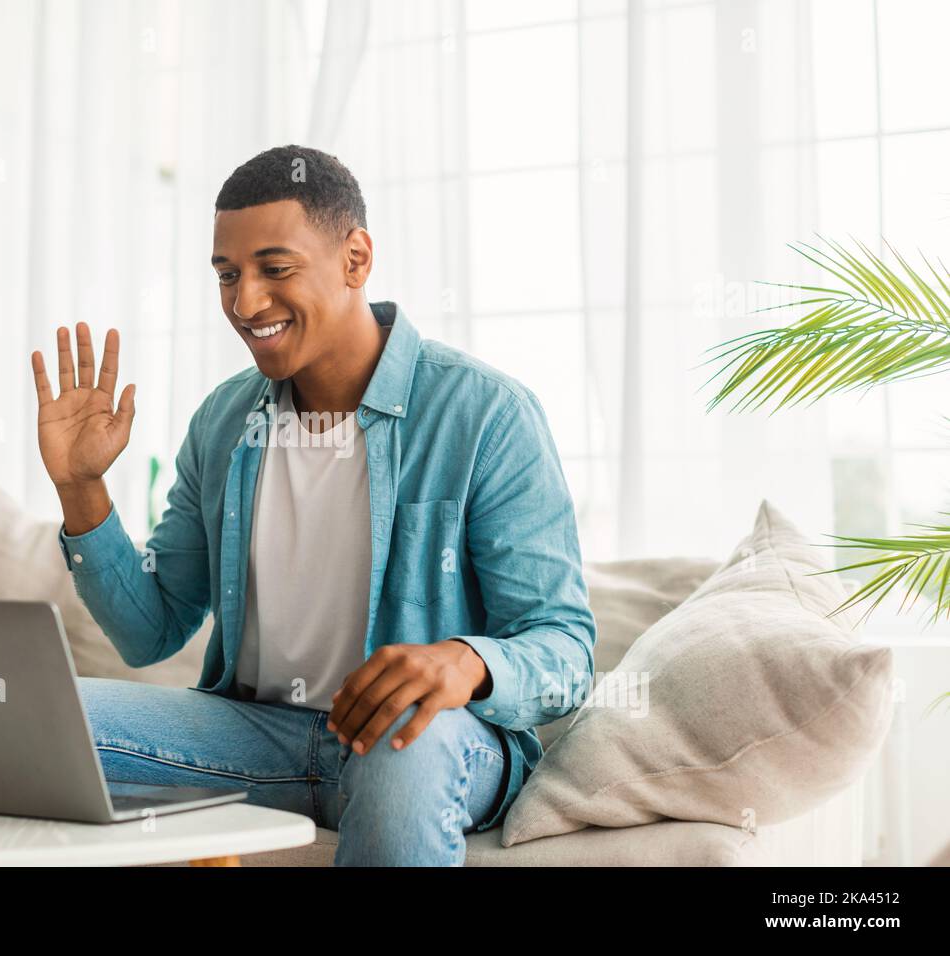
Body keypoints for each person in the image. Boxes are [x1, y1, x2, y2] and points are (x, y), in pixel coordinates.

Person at [29, 144, 596, 866]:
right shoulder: (225, 421)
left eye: (275, 269)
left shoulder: (486, 415)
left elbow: (566, 649)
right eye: (228, 275)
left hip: (426, 742)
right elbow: (153, 631)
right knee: (34, 719)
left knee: (401, 737)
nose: (245, 303)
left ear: (356, 258)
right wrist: (82, 490)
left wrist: (462, 662)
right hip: (254, 734)